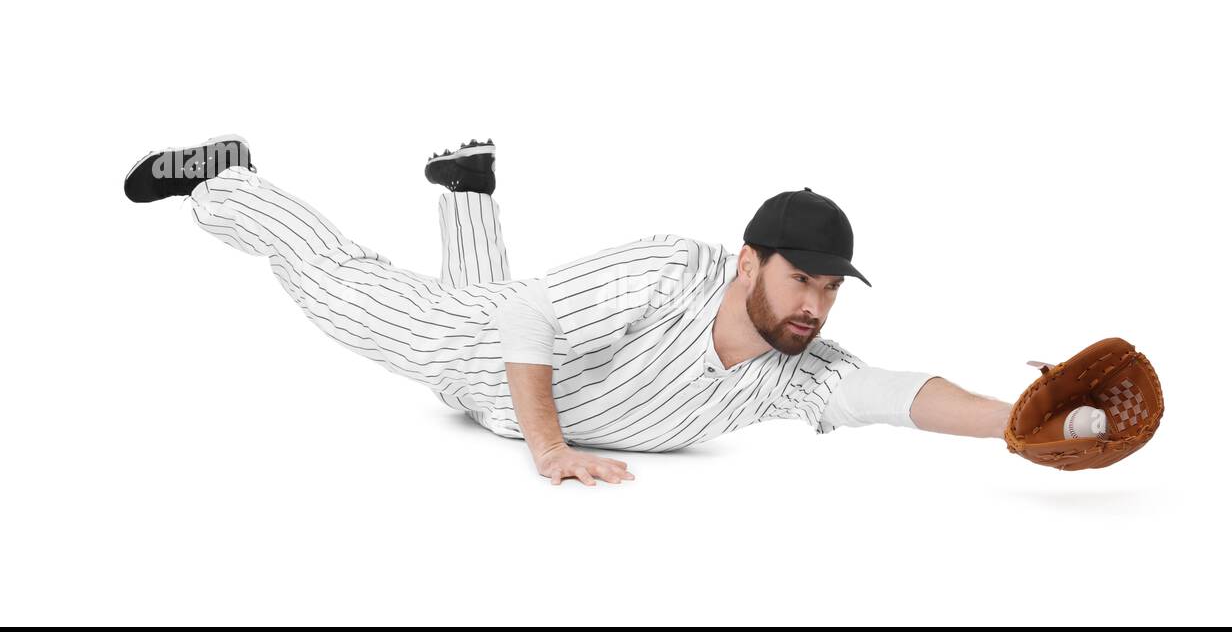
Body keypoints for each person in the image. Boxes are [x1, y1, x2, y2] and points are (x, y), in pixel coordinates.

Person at [123, 136, 1013, 486]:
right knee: (342, 283)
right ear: (748, 262)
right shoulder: (675, 272)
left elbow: (895, 395)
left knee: (483, 315)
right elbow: (523, 327)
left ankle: (466, 192)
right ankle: (226, 180)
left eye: (828, 287)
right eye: (799, 278)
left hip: (497, 378)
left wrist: (1019, 423)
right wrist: (550, 451)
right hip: (478, 353)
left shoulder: (795, 373)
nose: (813, 304)